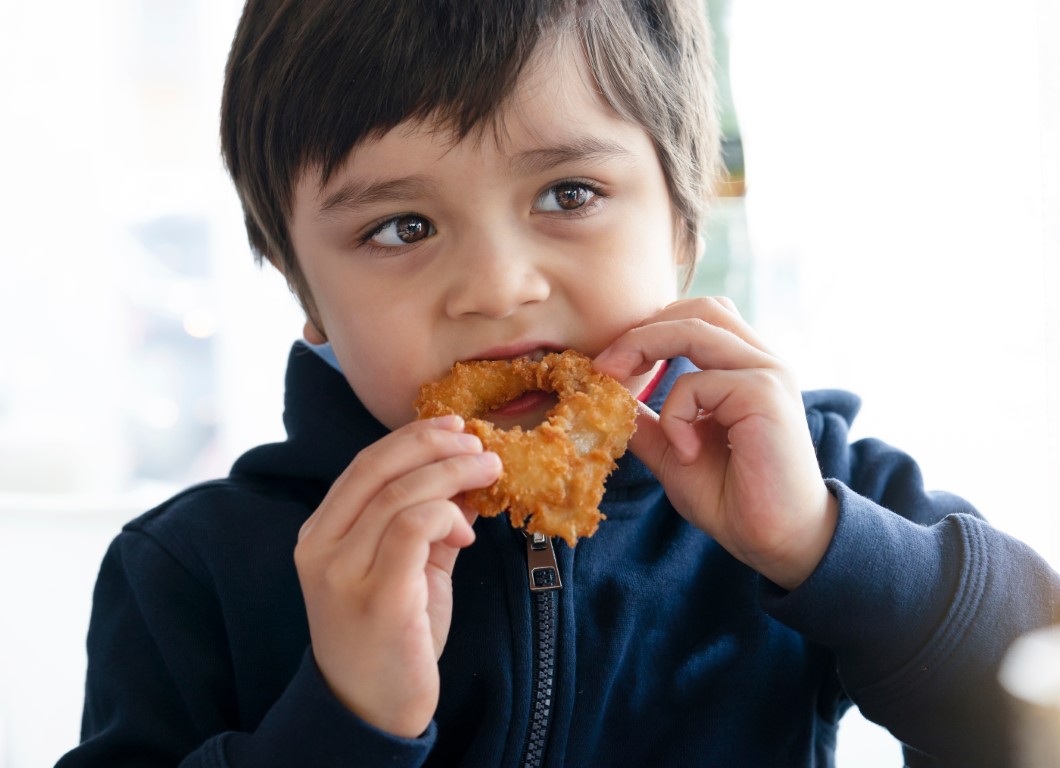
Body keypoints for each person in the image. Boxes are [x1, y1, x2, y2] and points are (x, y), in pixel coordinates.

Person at [58, 1, 1059, 766]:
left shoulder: (810, 487)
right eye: (398, 227)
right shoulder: (187, 578)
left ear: (679, 226)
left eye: (567, 193)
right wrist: (344, 715)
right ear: (304, 291)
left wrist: (823, 551)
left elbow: (1033, 710)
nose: (497, 289)